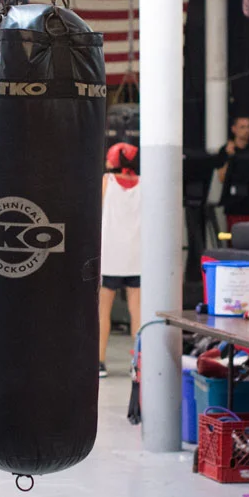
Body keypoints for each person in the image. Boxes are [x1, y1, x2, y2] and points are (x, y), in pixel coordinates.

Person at [98, 143, 141, 380]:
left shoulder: (106, 182)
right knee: (137, 313)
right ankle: (137, 364)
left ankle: (99, 363)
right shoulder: (146, 183)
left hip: (110, 256)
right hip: (137, 256)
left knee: (103, 311)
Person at [217, 115, 249, 229]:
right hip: (234, 205)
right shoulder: (225, 150)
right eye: (242, 127)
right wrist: (230, 157)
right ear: (234, 129)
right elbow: (221, 178)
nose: (246, 131)